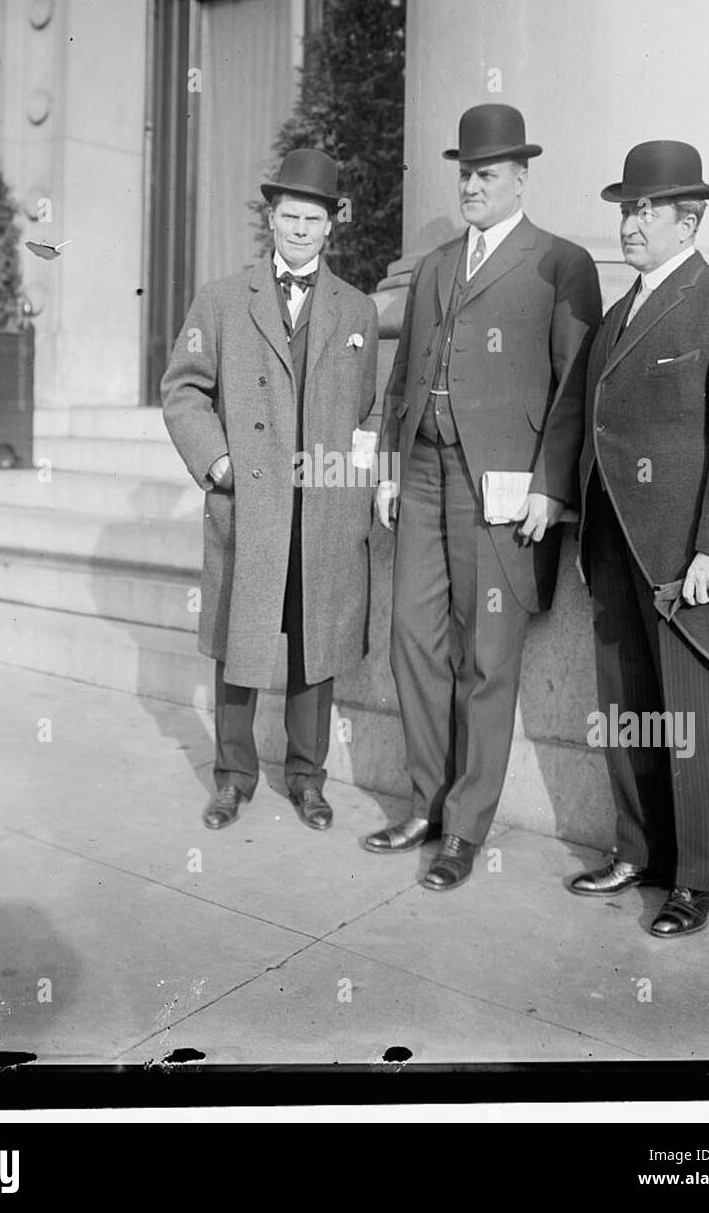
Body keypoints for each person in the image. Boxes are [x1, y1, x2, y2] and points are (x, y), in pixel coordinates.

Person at [365, 103, 602, 890]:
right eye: (465, 173)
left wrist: (551, 483)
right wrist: (389, 466)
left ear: (519, 180)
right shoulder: (435, 265)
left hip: (498, 488)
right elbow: (404, 374)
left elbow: (576, 383)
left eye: (486, 174)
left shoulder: (559, 263)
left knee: (488, 656)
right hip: (424, 474)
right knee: (409, 632)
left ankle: (464, 831)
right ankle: (426, 803)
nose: (471, 185)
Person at [570, 140, 709, 937]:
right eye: (625, 207)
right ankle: (637, 851)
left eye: (645, 209)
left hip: (687, 555)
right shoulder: (617, 314)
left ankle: (696, 881)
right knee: (628, 708)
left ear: (688, 219)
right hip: (612, 546)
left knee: (691, 713)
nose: (629, 222)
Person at [161, 149, 379, 832]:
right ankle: (232, 778)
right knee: (240, 641)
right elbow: (182, 389)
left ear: (332, 224)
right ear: (271, 218)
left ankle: (308, 781)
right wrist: (217, 462)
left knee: (317, 646)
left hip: (322, 508)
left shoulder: (357, 310)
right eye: (290, 217)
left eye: (313, 219)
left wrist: (357, 482)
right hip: (249, 505)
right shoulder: (223, 299)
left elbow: (369, 409)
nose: (301, 231)